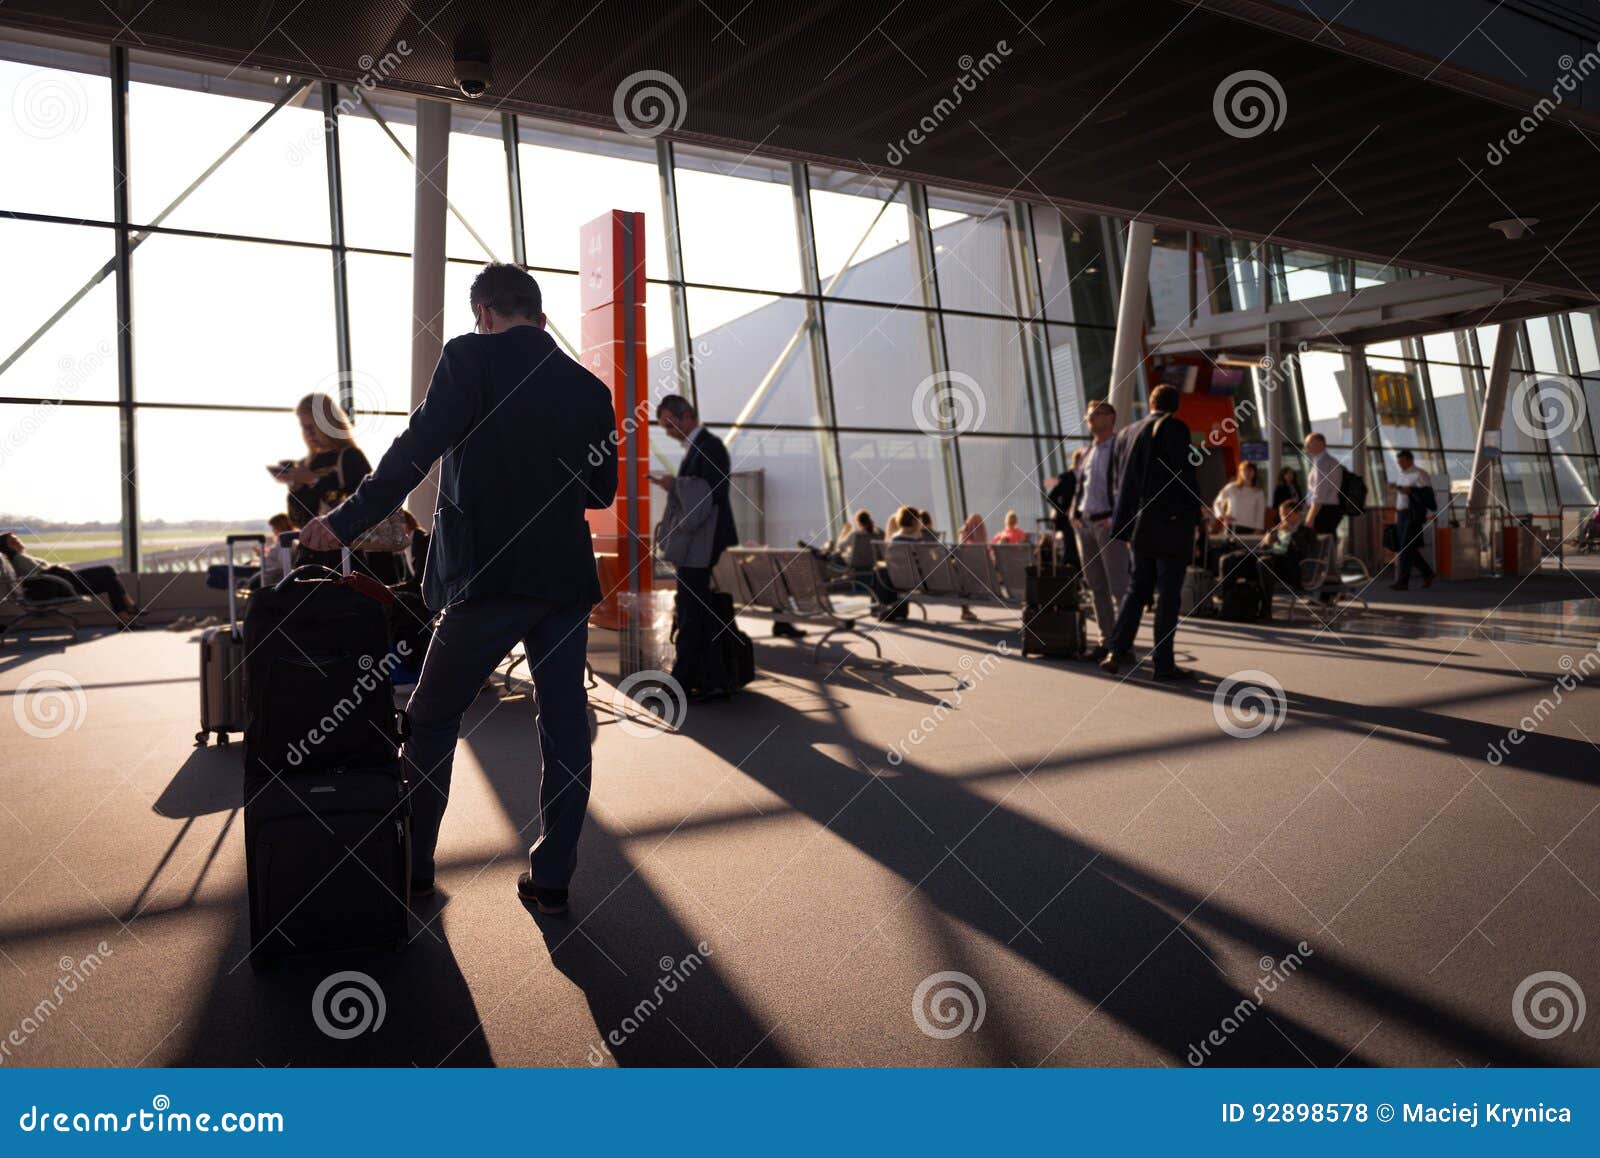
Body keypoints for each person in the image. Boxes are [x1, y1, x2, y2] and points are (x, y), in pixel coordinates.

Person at [300, 263, 618, 916]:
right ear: (540, 316)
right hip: (563, 579)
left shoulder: (470, 357)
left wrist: (344, 522)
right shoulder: (588, 387)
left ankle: (414, 866)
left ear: (485, 314)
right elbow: (601, 491)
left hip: (488, 575)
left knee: (432, 717)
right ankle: (553, 878)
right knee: (564, 727)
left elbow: (414, 452)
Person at [1100, 385, 1198, 680]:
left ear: (1151, 403)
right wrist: (1195, 514)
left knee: (1137, 589)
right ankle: (1163, 664)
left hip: (1137, 526)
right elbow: (1183, 475)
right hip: (1169, 524)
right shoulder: (1174, 428)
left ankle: (1116, 651)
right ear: (1176, 406)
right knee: (1168, 594)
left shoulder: (1126, 433)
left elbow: (1115, 481)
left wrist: (1124, 523)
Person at [651, 394, 739, 701]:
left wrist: (673, 485)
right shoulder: (701, 447)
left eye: (670, 425)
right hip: (701, 541)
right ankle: (710, 679)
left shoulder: (709, 447)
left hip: (702, 543)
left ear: (687, 416)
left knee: (691, 612)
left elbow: (705, 499)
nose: (668, 432)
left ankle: (684, 682)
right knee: (698, 611)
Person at [1073, 399, 1131, 662]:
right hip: (1085, 524)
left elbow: (1128, 486)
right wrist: (1074, 514)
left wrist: (1116, 517)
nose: (1090, 419)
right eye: (1088, 416)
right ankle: (1106, 641)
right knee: (1096, 586)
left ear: (1110, 417)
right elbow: (1081, 486)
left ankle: (1123, 646)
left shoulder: (1119, 448)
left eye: (1095, 414)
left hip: (1107, 524)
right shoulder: (1087, 451)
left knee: (1118, 587)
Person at [0, 533, 141, 625]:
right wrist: (58, 568)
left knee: (111, 581)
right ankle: (129, 607)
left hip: (63, 583)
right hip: (64, 584)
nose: (18, 541)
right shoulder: (19, 558)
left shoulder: (19, 558)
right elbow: (41, 573)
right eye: (13, 541)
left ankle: (124, 617)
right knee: (107, 571)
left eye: (16, 538)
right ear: (8, 547)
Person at [1388, 449, 1436, 591]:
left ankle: (1403, 581)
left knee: (1405, 547)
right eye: (1399, 462)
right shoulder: (1401, 474)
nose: (1400, 465)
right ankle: (1428, 573)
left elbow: (1427, 495)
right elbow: (1403, 493)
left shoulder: (1420, 474)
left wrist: (1411, 491)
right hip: (1401, 514)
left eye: (1402, 462)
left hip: (1412, 514)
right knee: (1406, 547)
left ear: (1410, 460)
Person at [1303, 433, 1344, 536]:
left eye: (1309, 443)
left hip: (1322, 509)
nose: (1306, 446)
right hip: (1329, 508)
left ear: (1320, 444)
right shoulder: (1329, 461)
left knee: (1321, 540)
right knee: (1328, 539)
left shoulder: (1322, 463)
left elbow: (1320, 492)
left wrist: (1310, 517)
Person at [1213, 460, 1267, 537]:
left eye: (1250, 470)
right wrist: (1221, 515)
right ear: (1240, 472)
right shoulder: (1232, 487)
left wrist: (1259, 529)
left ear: (1254, 473)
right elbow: (1217, 503)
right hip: (1232, 526)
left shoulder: (1258, 492)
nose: (1247, 473)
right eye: (1245, 470)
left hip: (1251, 528)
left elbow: (1260, 512)